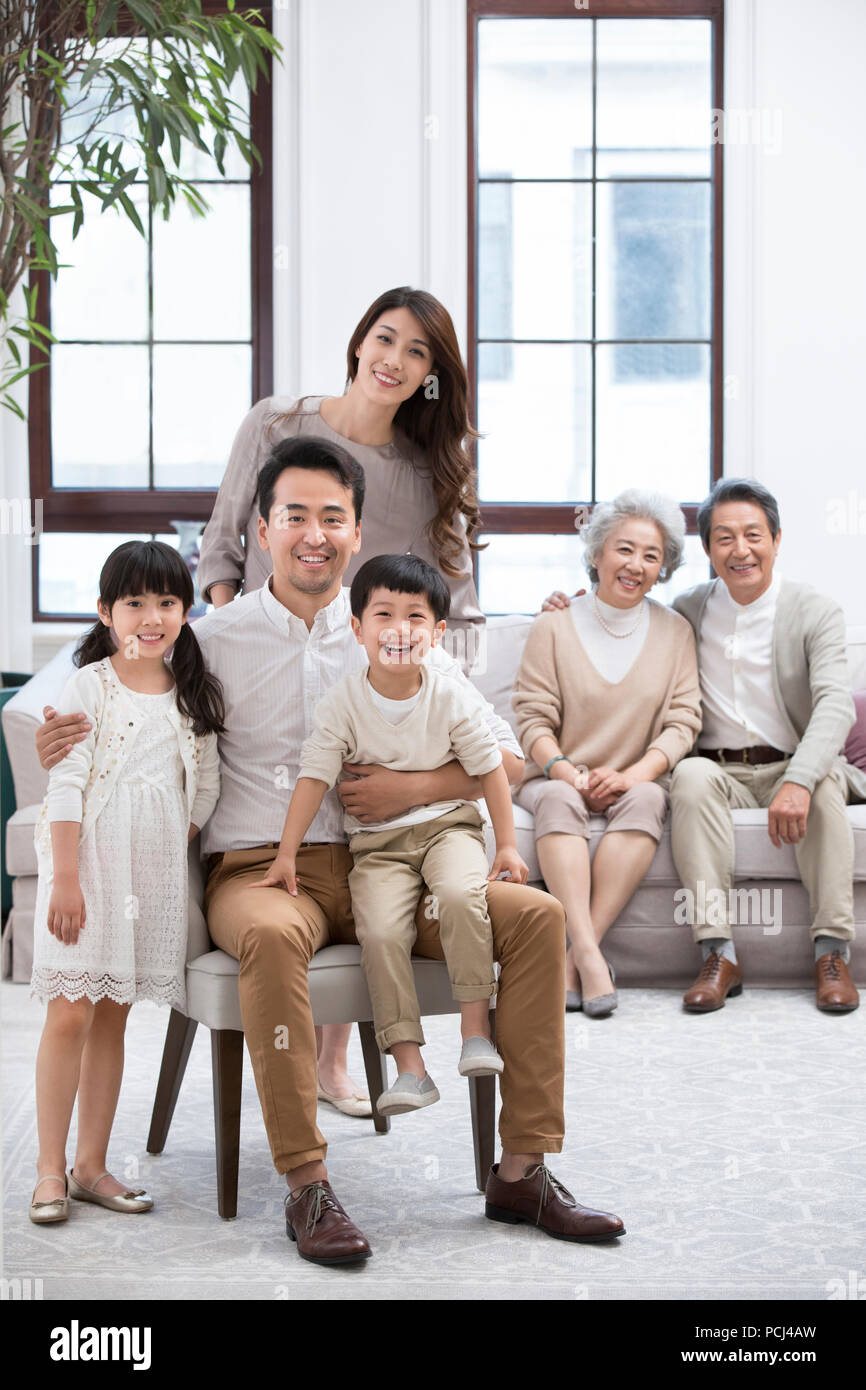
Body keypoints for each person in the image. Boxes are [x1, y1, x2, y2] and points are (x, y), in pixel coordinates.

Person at [39, 437, 626, 1262]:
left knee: (532, 916)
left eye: (333, 518)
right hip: (261, 871)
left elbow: (510, 759)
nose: (314, 534)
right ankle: (307, 1184)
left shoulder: (393, 624)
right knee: (275, 935)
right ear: (263, 528)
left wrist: (412, 791)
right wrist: (61, 743)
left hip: (402, 859)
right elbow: (116, 696)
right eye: (295, 517)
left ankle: (524, 1169)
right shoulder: (210, 637)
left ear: (355, 532)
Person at [196, 284, 487, 1117]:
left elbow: (450, 604)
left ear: (433, 375)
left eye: (419, 353)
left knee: (366, 817)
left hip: (369, 690)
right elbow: (221, 547)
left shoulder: (427, 472)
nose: (395, 361)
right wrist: (234, 644)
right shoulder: (275, 425)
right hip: (257, 667)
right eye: (386, 340)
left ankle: (332, 1064)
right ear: (359, 342)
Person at [254, 552, 529, 1117]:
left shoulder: (449, 694)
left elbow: (492, 770)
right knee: (379, 932)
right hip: (376, 847)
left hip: (447, 828)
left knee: (460, 896)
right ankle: (410, 1067)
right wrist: (285, 855)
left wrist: (506, 844)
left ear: (438, 632)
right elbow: (312, 778)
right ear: (358, 628)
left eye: (416, 617)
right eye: (384, 615)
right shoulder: (343, 703)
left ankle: (476, 1032)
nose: (400, 630)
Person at [28, 542, 222, 1225]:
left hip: (150, 872)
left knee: (114, 1013)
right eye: (134, 602)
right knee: (72, 1010)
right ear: (106, 612)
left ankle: (91, 1165)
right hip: (84, 864)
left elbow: (205, 787)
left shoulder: (192, 691)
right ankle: (50, 1169)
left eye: (166, 601)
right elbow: (69, 782)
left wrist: (174, 844)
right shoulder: (90, 683)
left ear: (185, 610)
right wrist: (68, 879)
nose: (151, 615)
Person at [667, 479, 863, 1013]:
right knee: (688, 776)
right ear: (708, 550)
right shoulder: (687, 610)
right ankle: (718, 954)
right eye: (724, 538)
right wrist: (574, 601)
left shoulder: (814, 610)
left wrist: (798, 779)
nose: (741, 549)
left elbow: (834, 704)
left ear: (776, 540)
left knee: (822, 782)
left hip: (792, 762)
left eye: (753, 535)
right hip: (720, 771)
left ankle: (831, 953)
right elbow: (627, 622)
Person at [512, 490, 702, 1017]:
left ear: (663, 568)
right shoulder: (553, 625)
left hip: (632, 778)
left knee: (647, 800)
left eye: (651, 555)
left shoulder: (675, 631)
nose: (636, 565)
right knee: (556, 800)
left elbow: (683, 722)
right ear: (597, 553)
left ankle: (574, 956)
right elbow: (532, 718)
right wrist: (565, 770)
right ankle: (594, 961)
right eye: (625, 549)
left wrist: (633, 774)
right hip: (557, 774)